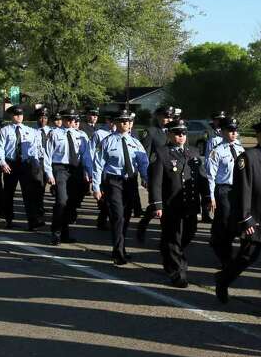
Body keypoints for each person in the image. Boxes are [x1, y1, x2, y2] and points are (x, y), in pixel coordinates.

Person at [215, 118, 261, 320]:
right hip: (255, 217)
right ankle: (223, 279)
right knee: (248, 257)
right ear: (259, 135)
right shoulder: (247, 157)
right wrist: (245, 219)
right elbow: (243, 191)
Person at [148, 120, 202, 287]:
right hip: (171, 204)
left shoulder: (193, 151)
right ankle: (179, 273)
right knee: (173, 238)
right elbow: (155, 182)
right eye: (178, 133)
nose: (181, 136)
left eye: (184, 133)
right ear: (169, 134)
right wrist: (157, 204)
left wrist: (207, 197)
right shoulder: (162, 153)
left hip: (190, 204)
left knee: (189, 233)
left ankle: (169, 253)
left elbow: (201, 177)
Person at [92, 106, 150, 265]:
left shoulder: (135, 142)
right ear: (116, 123)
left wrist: (146, 178)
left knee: (126, 216)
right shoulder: (107, 141)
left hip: (130, 181)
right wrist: (96, 187)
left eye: (128, 121)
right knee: (117, 216)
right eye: (122, 121)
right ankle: (118, 252)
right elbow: (97, 164)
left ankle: (120, 247)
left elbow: (143, 163)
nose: (126, 124)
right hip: (113, 181)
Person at [0, 106, 53, 231]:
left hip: (26, 165)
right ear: (11, 116)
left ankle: (33, 221)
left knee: (29, 194)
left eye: (20, 115)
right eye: (16, 115)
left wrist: (35, 163)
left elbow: (36, 148)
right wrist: (2, 163)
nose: (19, 117)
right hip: (11, 164)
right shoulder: (5, 130)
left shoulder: (30, 130)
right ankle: (8, 219)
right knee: (9, 193)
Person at [44, 110, 91, 245]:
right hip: (60, 169)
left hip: (76, 170)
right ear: (63, 120)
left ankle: (65, 234)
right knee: (62, 201)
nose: (71, 122)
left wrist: (89, 171)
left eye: (73, 119)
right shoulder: (54, 133)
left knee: (71, 203)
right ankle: (56, 232)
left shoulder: (81, 135)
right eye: (68, 119)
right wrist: (49, 173)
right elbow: (48, 154)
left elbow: (86, 156)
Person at [204, 118, 244, 267]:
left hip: (237, 189)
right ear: (223, 132)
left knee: (234, 220)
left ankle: (216, 238)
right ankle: (225, 255)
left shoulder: (240, 149)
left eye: (235, 130)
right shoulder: (217, 151)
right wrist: (211, 196)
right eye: (230, 130)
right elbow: (210, 175)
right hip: (223, 189)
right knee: (226, 220)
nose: (234, 133)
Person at [136, 105, 175, 242]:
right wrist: (145, 175)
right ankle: (144, 225)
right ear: (158, 117)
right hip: (156, 172)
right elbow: (144, 155)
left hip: (172, 173)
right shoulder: (151, 132)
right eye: (165, 116)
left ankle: (167, 234)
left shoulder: (176, 131)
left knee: (166, 202)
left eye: (170, 116)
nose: (168, 119)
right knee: (157, 202)